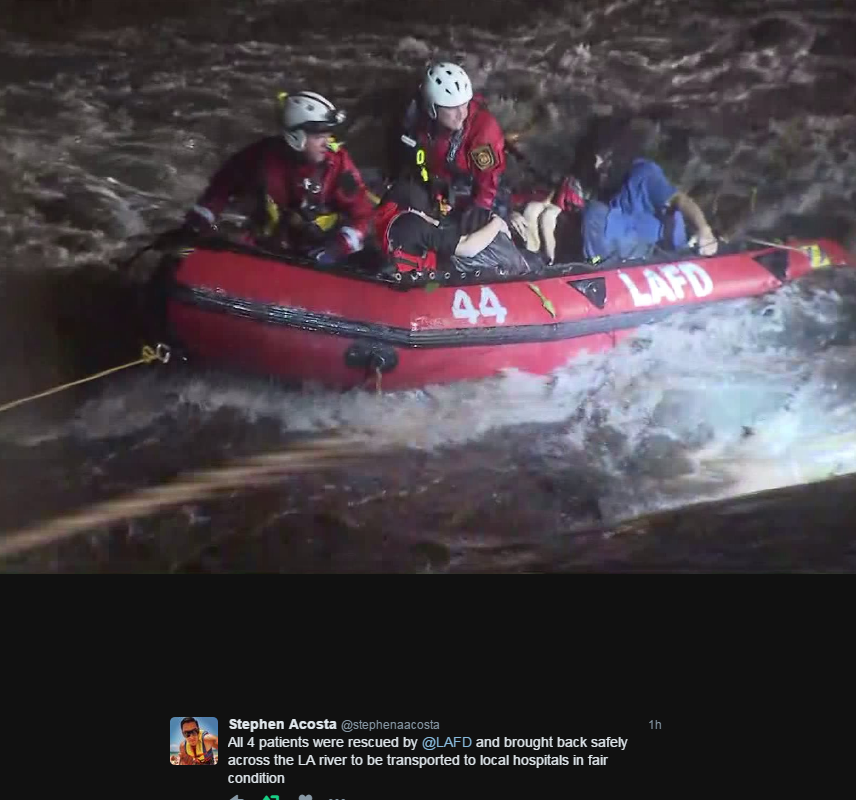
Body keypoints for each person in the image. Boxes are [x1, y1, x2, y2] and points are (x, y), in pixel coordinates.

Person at [183, 91, 375, 264]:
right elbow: (218, 192)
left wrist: (336, 248)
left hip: (320, 252)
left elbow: (364, 214)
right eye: (318, 136)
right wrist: (196, 225)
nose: (326, 143)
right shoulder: (257, 158)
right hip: (267, 247)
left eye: (328, 135)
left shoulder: (338, 164)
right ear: (296, 137)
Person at [571, 115, 719, 263]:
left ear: (618, 155)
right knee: (593, 211)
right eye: (596, 159)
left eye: (603, 159)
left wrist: (704, 230)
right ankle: (596, 263)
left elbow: (681, 200)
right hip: (623, 248)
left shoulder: (645, 173)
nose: (597, 166)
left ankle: (599, 265)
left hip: (652, 249)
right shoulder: (616, 184)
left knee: (594, 211)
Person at [394, 62, 509, 232]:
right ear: (432, 108)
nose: (461, 113)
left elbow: (489, 177)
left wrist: (481, 207)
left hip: (473, 189)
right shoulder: (417, 120)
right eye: (452, 108)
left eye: (464, 104)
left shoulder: (483, 130)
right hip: (437, 186)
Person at [373, 178, 530, 278]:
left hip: (418, 276)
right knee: (492, 241)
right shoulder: (413, 225)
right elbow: (467, 248)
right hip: (430, 286)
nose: (442, 210)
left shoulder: (392, 221)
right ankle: (525, 273)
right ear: (415, 207)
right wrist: (497, 222)